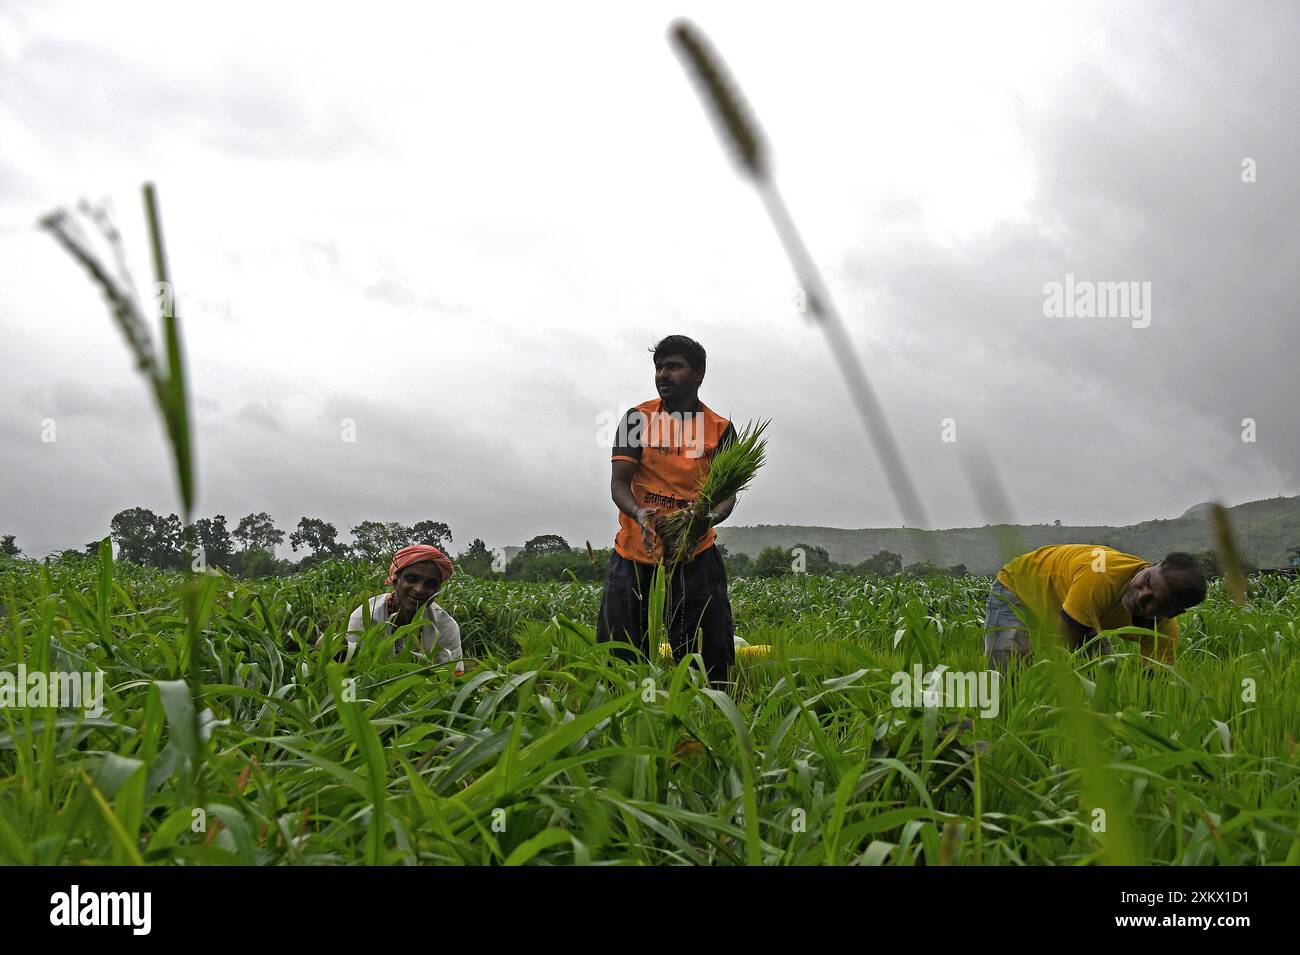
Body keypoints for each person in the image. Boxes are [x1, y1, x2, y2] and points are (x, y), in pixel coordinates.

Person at [596, 335, 738, 688]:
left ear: (699, 373)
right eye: (659, 367)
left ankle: (708, 716)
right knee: (621, 658)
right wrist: (639, 513)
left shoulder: (721, 430)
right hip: (634, 553)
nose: (663, 374)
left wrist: (706, 518)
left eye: (674, 366)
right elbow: (619, 484)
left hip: (695, 555)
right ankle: (624, 718)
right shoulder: (636, 420)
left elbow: (726, 497)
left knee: (708, 659)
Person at [984, 544, 1207, 672]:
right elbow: (1061, 649)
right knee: (1007, 673)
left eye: (1154, 602)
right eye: (1146, 581)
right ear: (1151, 565)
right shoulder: (1102, 575)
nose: (1140, 595)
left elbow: (1155, 681)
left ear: (1172, 614)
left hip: (1076, 612)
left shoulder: (1164, 634)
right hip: (1020, 588)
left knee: (1101, 675)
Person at [325, 543, 465, 675]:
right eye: (411, 579)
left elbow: (451, 680)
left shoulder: (445, 626)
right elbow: (355, 672)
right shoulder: (366, 617)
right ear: (395, 579)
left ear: (438, 590)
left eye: (430, 584)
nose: (419, 589)